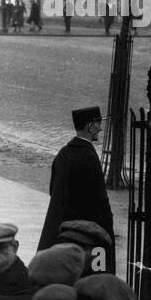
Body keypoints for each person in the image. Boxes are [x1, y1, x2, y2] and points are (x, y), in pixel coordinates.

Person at [37, 106, 115, 269]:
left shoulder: (63, 153)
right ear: (90, 126)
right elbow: (100, 200)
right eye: (98, 124)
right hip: (87, 233)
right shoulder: (89, 157)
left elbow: (53, 190)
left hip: (59, 228)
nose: (100, 129)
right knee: (94, 272)